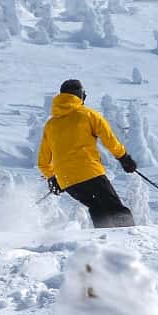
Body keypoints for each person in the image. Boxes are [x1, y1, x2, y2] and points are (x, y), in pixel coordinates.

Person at [37, 78, 138, 228]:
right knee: (116, 209)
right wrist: (124, 158)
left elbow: (43, 161)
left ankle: (105, 242)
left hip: (68, 181)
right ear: (81, 96)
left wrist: (52, 178)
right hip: (89, 173)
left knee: (97, 209)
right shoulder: (88, 115)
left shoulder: (51, 124)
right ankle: (132, 240)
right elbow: (109, 139)